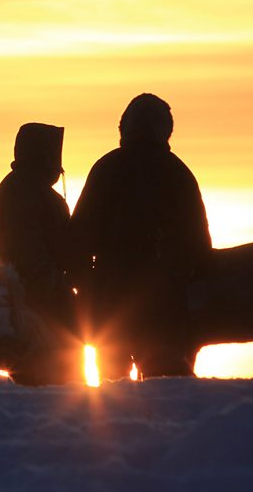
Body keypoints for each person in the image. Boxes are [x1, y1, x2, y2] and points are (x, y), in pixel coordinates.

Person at [68, 94, 211, 379]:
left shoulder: (106, 169)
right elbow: (199, 245)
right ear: (165, 129)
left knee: (113, 389)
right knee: (164, 387)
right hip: (163, 302)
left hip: (110, 298)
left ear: (125, 127)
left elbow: (77, 236)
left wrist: (83, 282)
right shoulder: (177, 173)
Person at [0, 122, 76, 384]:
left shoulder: (13, 185)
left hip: (19, 289)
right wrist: (56, 284)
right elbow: (31, 249)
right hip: (39, 296)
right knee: (68, 356)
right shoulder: (31, 192)